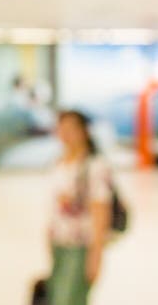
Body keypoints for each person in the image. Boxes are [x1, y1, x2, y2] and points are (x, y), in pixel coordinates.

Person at [46, 110, 113, 305]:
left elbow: (101, 209)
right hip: (59, 241)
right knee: (57, 296)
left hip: (81, 244)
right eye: (61, 129)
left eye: (70, 129)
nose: (65, 134)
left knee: (69, 299)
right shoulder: (59, 163)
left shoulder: (95, 166)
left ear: (84, 131)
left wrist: (96, 253)